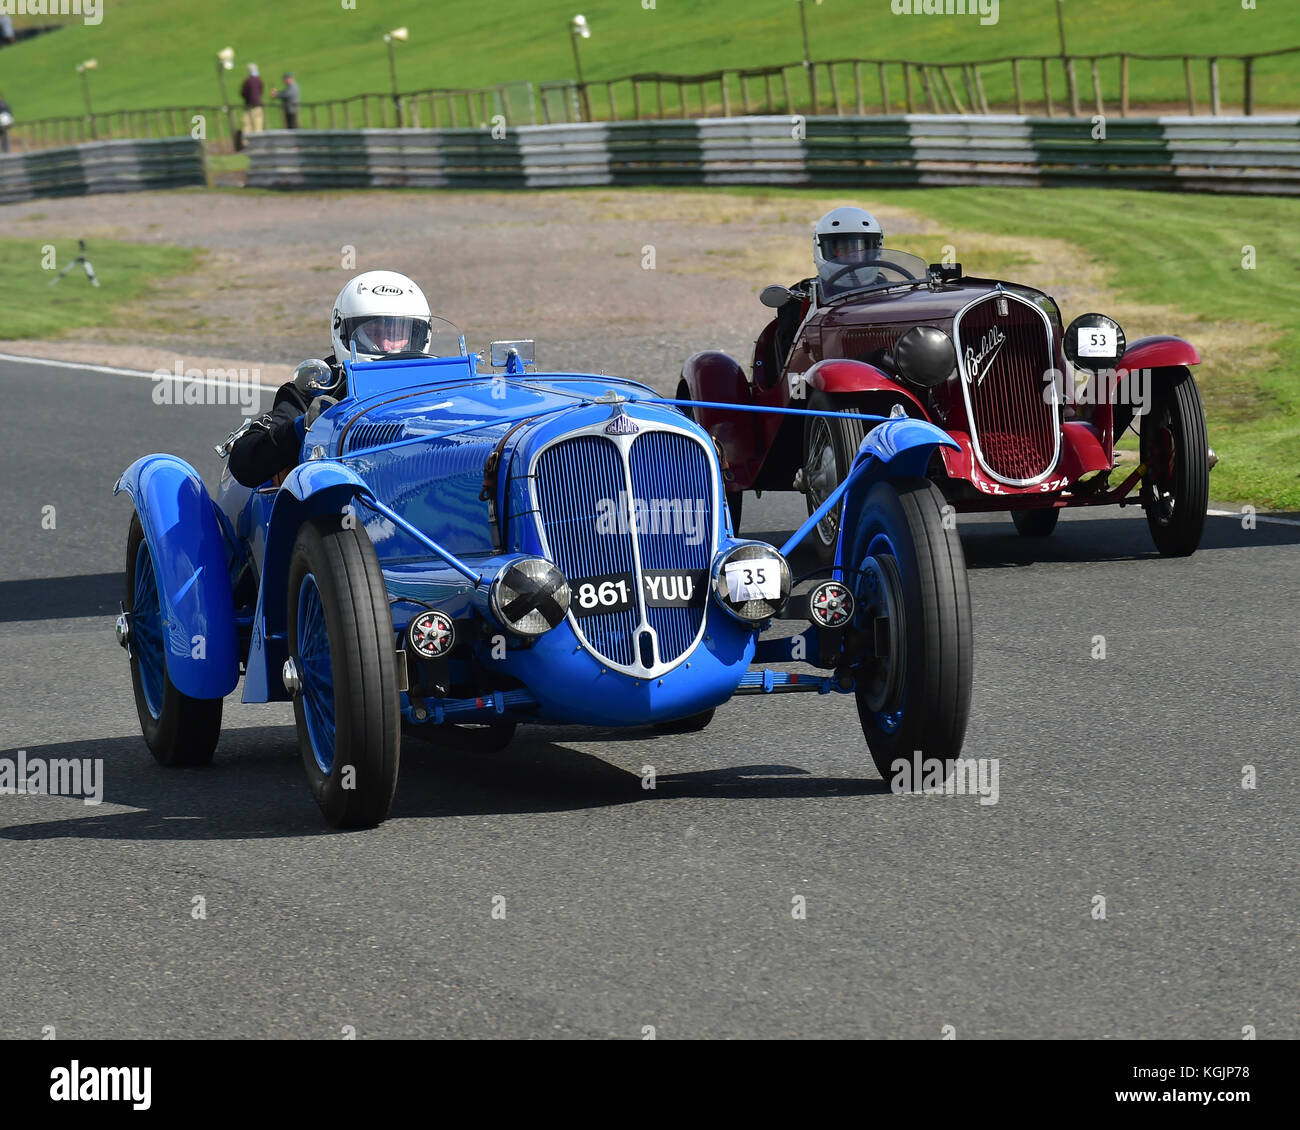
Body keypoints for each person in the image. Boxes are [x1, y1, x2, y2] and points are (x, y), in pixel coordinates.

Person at [227, 271, 437, 488]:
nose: (386, 344)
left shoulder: (444, 383)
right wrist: (305, 426)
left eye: (398, 334)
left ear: (422, 335)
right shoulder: (317, 388)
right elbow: (244, 465)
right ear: (342, 331)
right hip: (339, 510)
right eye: (374, 332)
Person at [240, 63, 264, 138]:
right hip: (258, 105)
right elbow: (261, 91)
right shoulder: (259, 80)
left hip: (249, 106)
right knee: (258, 125)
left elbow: (243, 93)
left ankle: (246, 142)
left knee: (247, 125)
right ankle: (258, 142)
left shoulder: (247, 81)